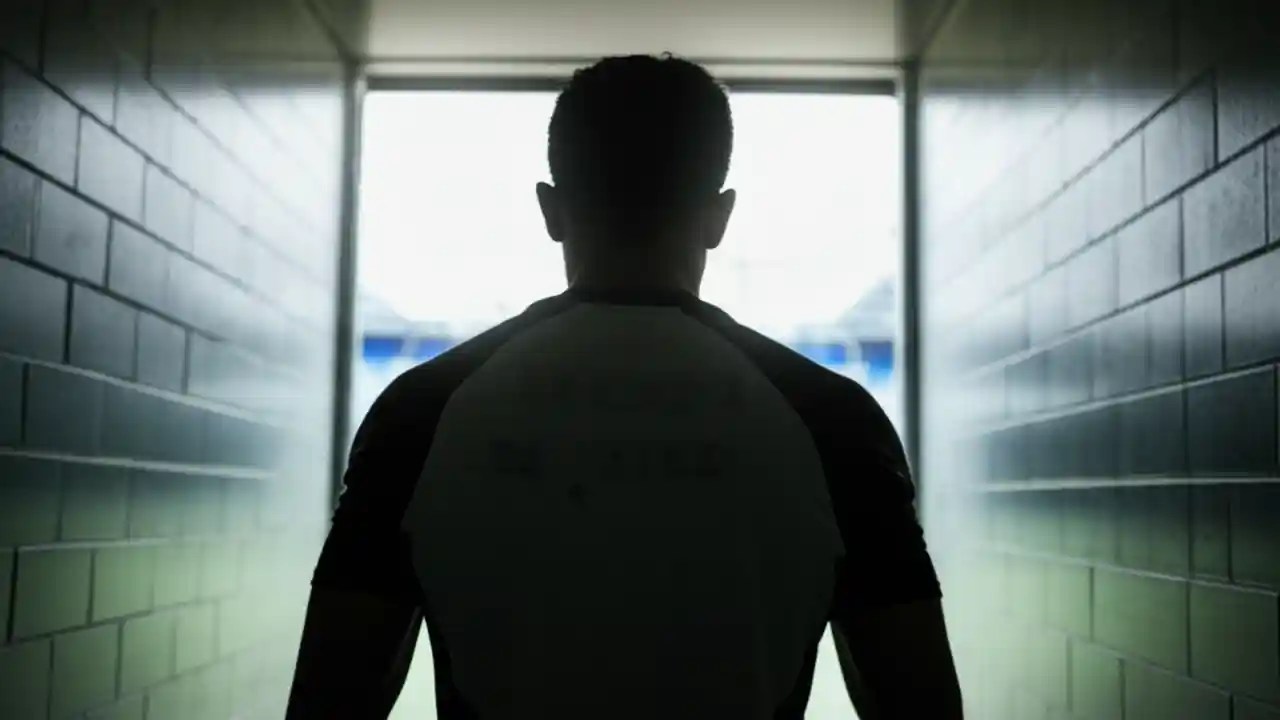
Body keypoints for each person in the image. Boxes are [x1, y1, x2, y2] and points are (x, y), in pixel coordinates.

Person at [286, 54, 962, 719]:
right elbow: (917, 699)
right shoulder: (833, 419)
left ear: (551, 210)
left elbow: (332, 696)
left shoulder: (422, 410)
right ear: (718, 216)